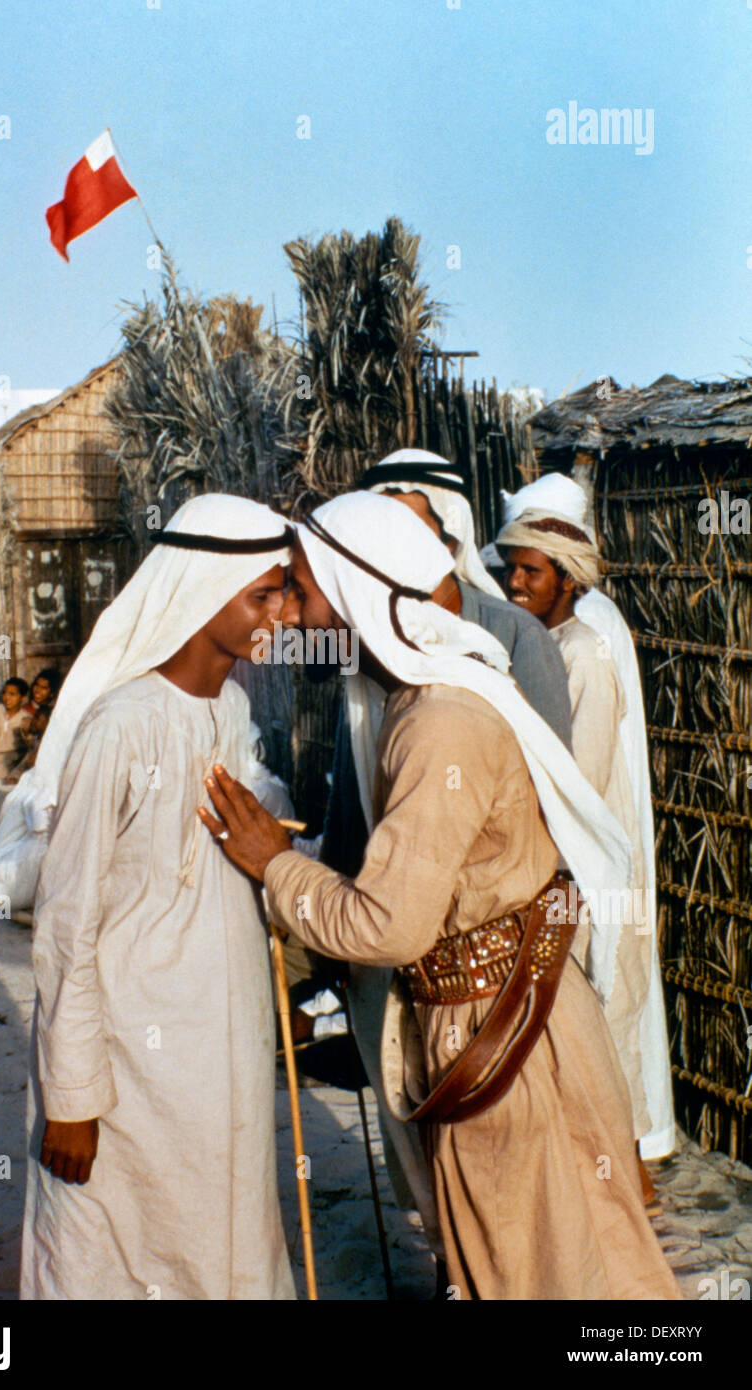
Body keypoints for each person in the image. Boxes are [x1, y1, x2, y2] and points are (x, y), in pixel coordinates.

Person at [199, 492, 681, 1300]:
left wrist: (274, 865)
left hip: (499, 1039)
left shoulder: (438, 725)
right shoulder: (446, 692)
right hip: (531, 1020)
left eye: (307, 592)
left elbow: (390, 925)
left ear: (364, 591)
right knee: (588, 1270)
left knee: (532, 1271)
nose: (295, 613)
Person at [17, 494, 296, 1301]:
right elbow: (67, 917)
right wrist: (70, 1096)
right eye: (262, 594)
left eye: (282, 593)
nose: (278, 614)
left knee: (223, 1229)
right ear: (202, 588)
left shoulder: (234, 708)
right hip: (130, 1052)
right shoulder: (120, 723)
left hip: (223, 1038)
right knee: (118, 1244)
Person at [314, 448, 574, 1277]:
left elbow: (542, 796)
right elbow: (350, 786)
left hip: (481, 951)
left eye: (413, 520)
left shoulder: (509, 639)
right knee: (414, 1131)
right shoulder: (367, 652)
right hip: (386, 923)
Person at [494, 472, 675, 1172]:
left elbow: (583, 785)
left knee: (605, 1037)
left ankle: (631, 1194)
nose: (515, 583)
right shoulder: (546, 646)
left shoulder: (584, 655)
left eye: (530, 572)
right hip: (565, 875)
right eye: (510, 568)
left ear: (566, 580)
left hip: (585, 878)